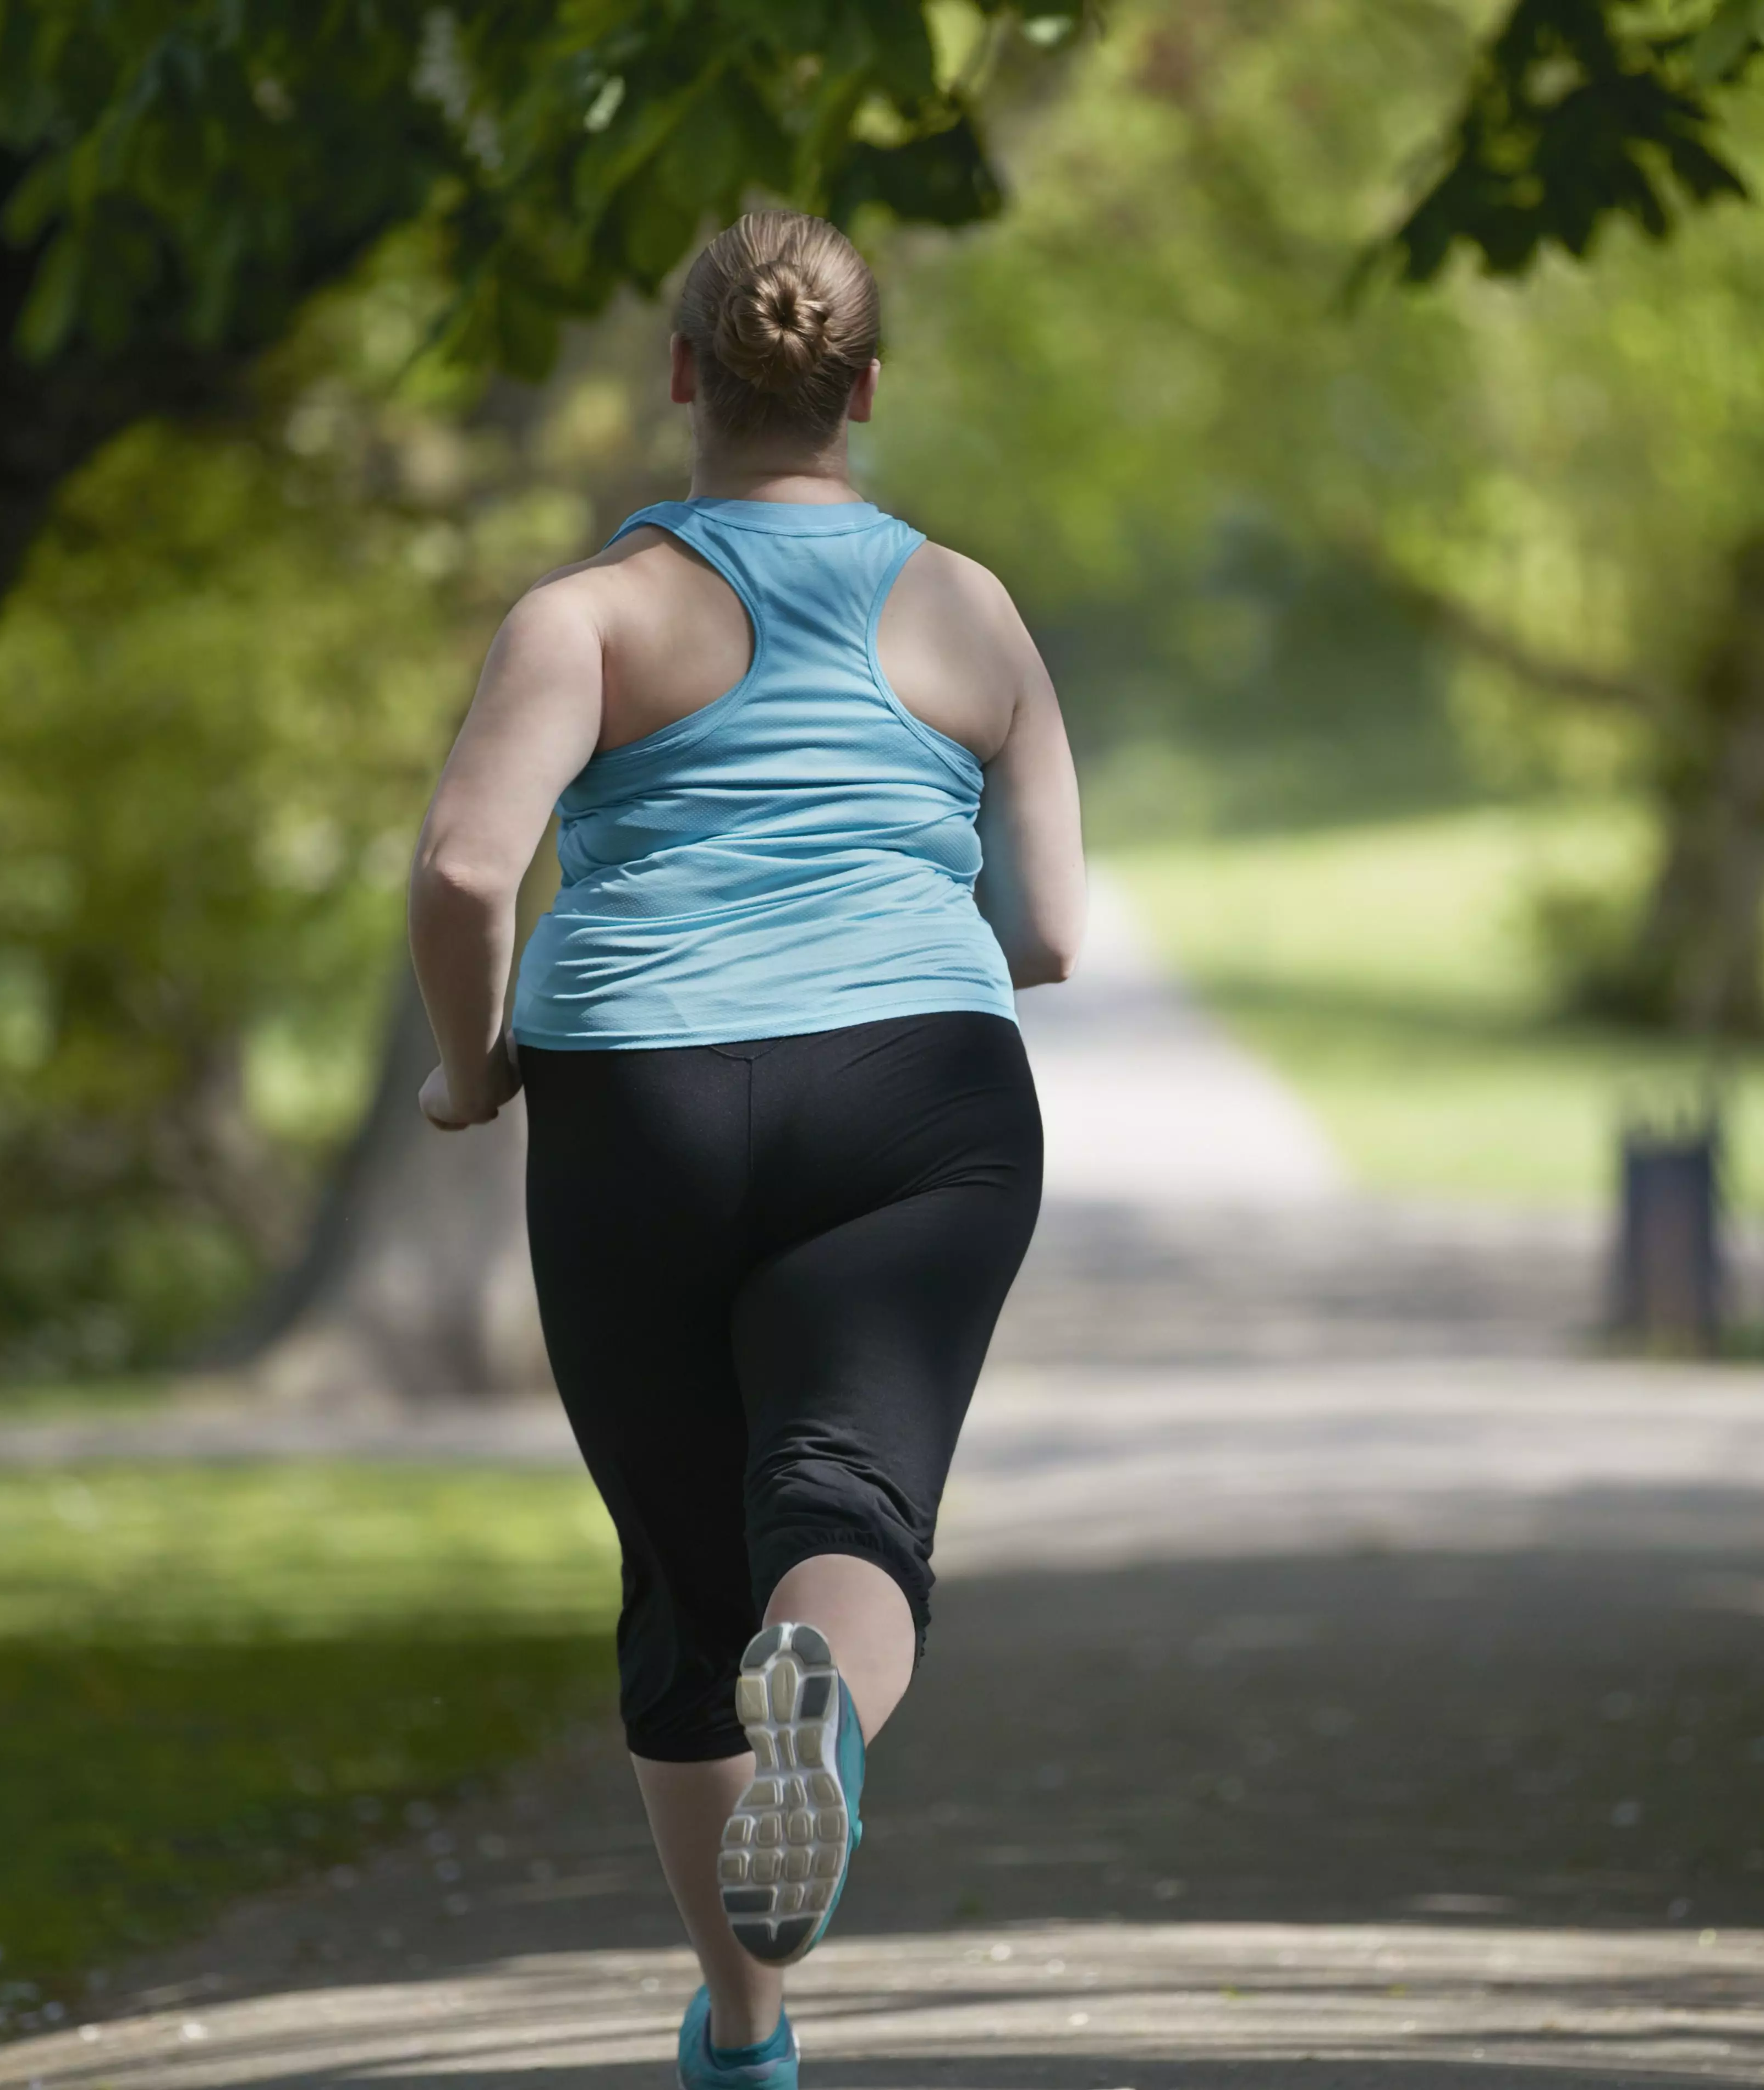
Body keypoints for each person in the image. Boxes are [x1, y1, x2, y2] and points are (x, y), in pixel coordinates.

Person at [404, 208, 1086, 2090]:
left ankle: (750, 2037)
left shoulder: (588, 615)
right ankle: (833, 1735)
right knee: (845, 1506)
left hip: (642, 1101)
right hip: (919, 1097)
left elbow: (470, 868)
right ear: (863, 390)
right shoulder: (967, 607)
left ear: (685, 376)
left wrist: (474, 1076)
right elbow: (1050, 935)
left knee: (692, 1585)